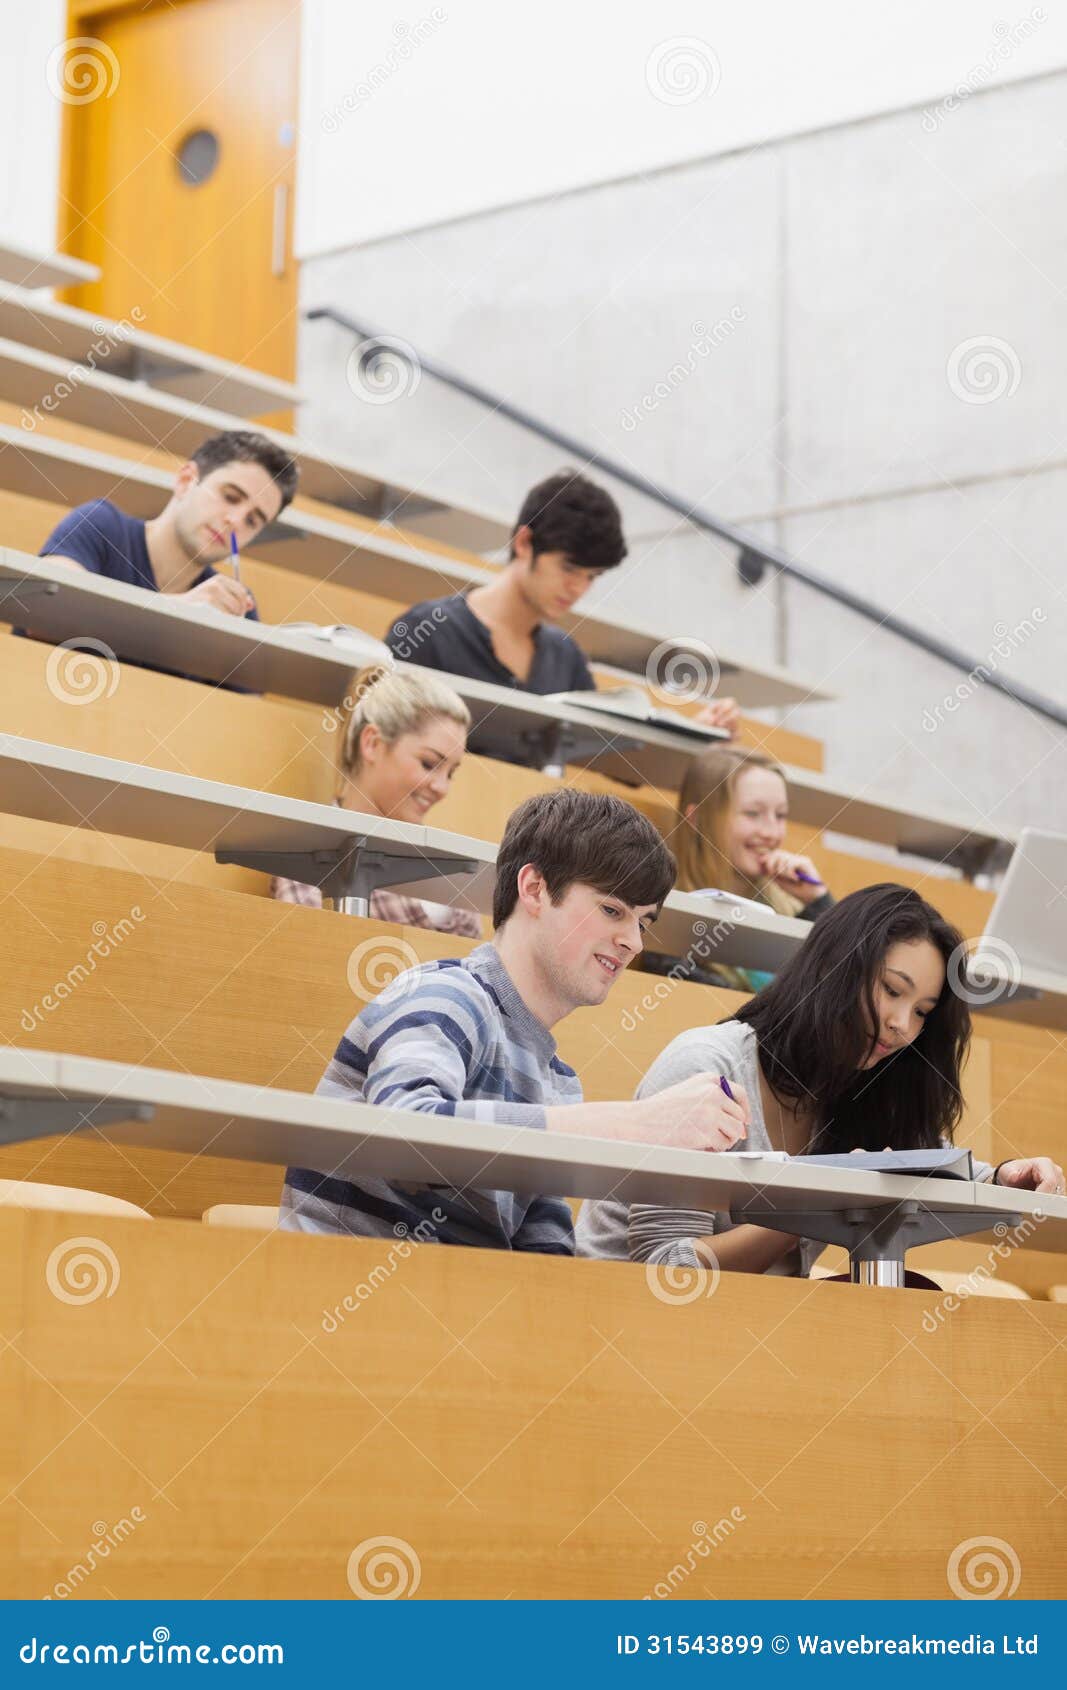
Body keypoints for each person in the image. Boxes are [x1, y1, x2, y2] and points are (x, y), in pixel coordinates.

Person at [280, 789, 749, 1251]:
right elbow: (405, 1131)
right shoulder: (446, 995)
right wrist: (636, 1124)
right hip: (340, 1295)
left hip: (457, 1309)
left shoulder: (557, 1083)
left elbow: (544, 1258)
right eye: (612, 910)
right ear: (534, 889)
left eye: (642, 922)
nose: (634, 942)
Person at [578, 883, 1065, 1277]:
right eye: (892, 990)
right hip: (626, 1326)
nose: (902, 1024)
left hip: (750, 1334)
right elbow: (665, 1272)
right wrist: (814, 1206)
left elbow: (924, 1159)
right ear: (833, 970)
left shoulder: (854, 1084)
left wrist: (1003, 1177)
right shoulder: (707, 1067)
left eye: (921, 1012)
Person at [386, 468, 740, 762]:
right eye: (570, 568)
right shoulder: (427, 631)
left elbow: (602, 760)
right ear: (524, 544)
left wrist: (697, 738)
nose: (578, 588)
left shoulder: (566, 658)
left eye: (591, 577)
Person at [33, 429, 299, 688]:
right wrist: (177, 611)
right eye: (230, 497)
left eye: (253, 521)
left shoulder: (233, 605)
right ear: (185, 481)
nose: (235, 521)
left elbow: (237, 717)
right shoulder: (99, 525)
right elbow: (43, 611)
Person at [271, 664, 481, 937]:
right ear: (372, 743)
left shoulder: (448, 870)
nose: (442, 787)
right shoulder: (306, 856)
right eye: (429, 763)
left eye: (451, 772)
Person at [646, 745, 834, 993]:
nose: (771, 833)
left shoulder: (791, 911)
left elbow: (843, 987)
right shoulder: (665, 917)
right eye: (753, 813)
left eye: (780, 815)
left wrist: (819, 902)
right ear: (698, 819)